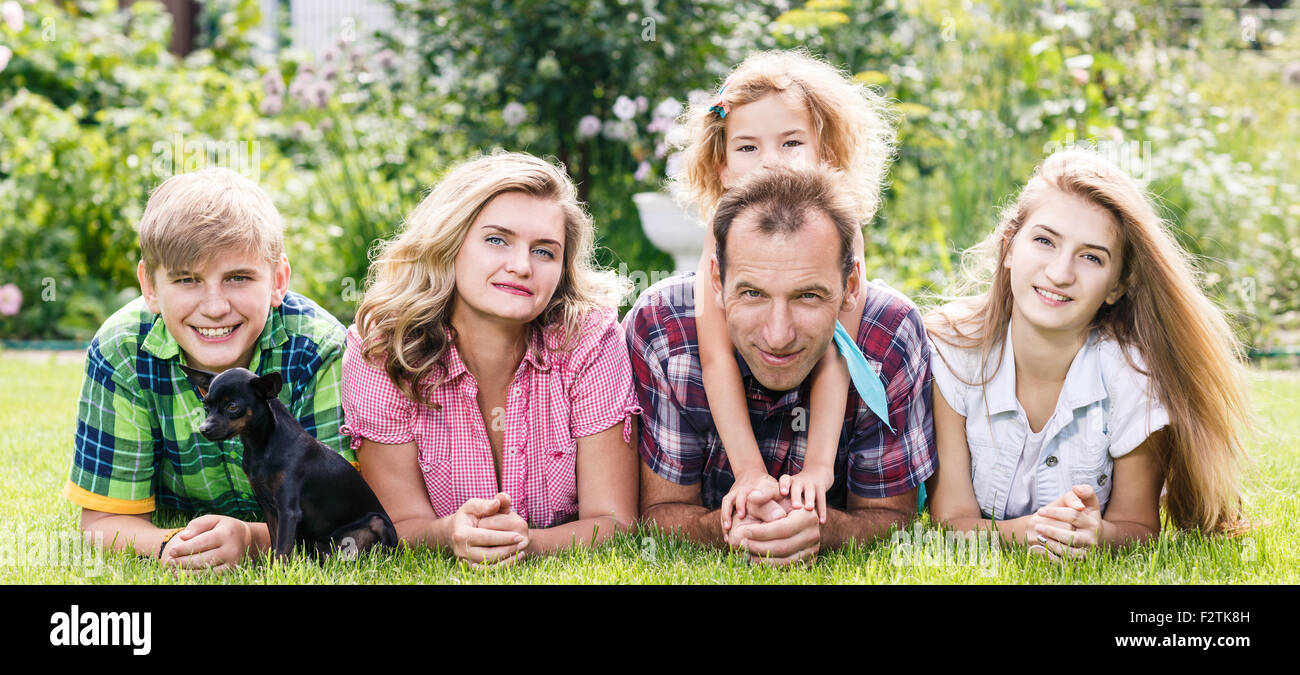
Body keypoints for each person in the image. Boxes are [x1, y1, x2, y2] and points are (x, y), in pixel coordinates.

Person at [925, 147, 1254, 560]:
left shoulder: (1136, 376)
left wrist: (1097, 534)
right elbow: (951, 521)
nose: (1061, 273)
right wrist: (1029, 532)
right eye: (1045, 241)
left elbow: (1138, 527)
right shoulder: (953, 351)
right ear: (1009, 248)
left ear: (1117, 285)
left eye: (1091, 257)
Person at [626, 164, 935, 566]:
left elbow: (895, 516)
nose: (777, 335)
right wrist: (732, 528)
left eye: (807, 296)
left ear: (851, 286)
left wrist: (824, 530)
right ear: (716, 280)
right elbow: (658, 512)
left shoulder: (890, 335)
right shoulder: (664, 329)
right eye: (752, 293)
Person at [342, 152, 640, 568]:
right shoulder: (382, 351)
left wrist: (529, 543)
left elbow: (614, 521)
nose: (521, 266)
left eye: (544, 251)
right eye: (497, 240)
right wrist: (448, 534)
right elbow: (399, 525)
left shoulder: (589, 339)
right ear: (451, 243)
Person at [64, 167, 351, 573]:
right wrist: (176, 545)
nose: (215, 307)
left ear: (278, 279)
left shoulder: (319, 349)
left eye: (238, 277)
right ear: (149, 285)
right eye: (187, 279)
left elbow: (344, 517)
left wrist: (251, 539)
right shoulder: (122, 351)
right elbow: (102, 524)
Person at [672, 49, 900, 530]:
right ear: (723, 167)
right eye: (748, 147)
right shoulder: (722, 233)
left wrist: (817, 468)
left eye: (791, 142)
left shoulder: (841, 231)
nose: (769, 161)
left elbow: (839, 356)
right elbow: (714, 359)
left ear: (827, 155)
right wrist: (750, 473)